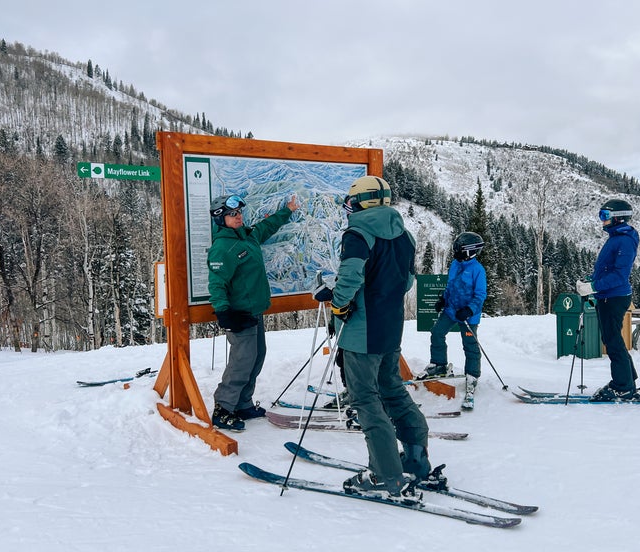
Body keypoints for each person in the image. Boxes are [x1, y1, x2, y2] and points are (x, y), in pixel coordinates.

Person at [313, 175, 434, 500]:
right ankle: (416, 460)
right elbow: (407, 281)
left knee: (365, 398)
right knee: (392, 390)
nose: (348, 208)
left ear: (360, 203)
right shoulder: (404, 235)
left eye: (350, 203)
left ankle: (385, 474)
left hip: (361, 333)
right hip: (391, 328)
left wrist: (338, 304)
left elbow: (351, 278)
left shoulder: (358, 234)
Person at [207, 193, 299, 431]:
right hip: (239, 315)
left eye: (239, 213)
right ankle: (223, 408)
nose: (238, 217)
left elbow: (266, 226)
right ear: (220, 219)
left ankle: (243, 403)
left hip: (254, 311)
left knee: (257, 357)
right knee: (242, 361)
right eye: (232, 214)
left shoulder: (247, 236)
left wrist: (288, 210)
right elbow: (216, 283)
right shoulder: (222, 247)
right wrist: (223, 312)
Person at [576, 199, 640, 402]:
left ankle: (622, 387)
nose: (602, 220)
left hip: (614, 297)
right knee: (613, 340)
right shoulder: (616, 238)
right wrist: (591, 281)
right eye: (601, 215)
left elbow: (620, 275)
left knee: (612, 342)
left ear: (618, 217)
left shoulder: (624, 241)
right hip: (608, 296)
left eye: (605, 215)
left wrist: (594, 287)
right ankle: (628, 381)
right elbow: (607, 269)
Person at [417, 232, 487, 411]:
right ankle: (439, 364)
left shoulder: (478, 270)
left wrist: (469, 310)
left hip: (468, 315)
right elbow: (450, 286)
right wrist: (443, 300)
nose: (455, 252)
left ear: (469, 251)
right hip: (451, 310)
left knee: (470, 344)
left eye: (459, 249)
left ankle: (472, 375)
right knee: (437, 333)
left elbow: (480, 295)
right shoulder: (455, 264)